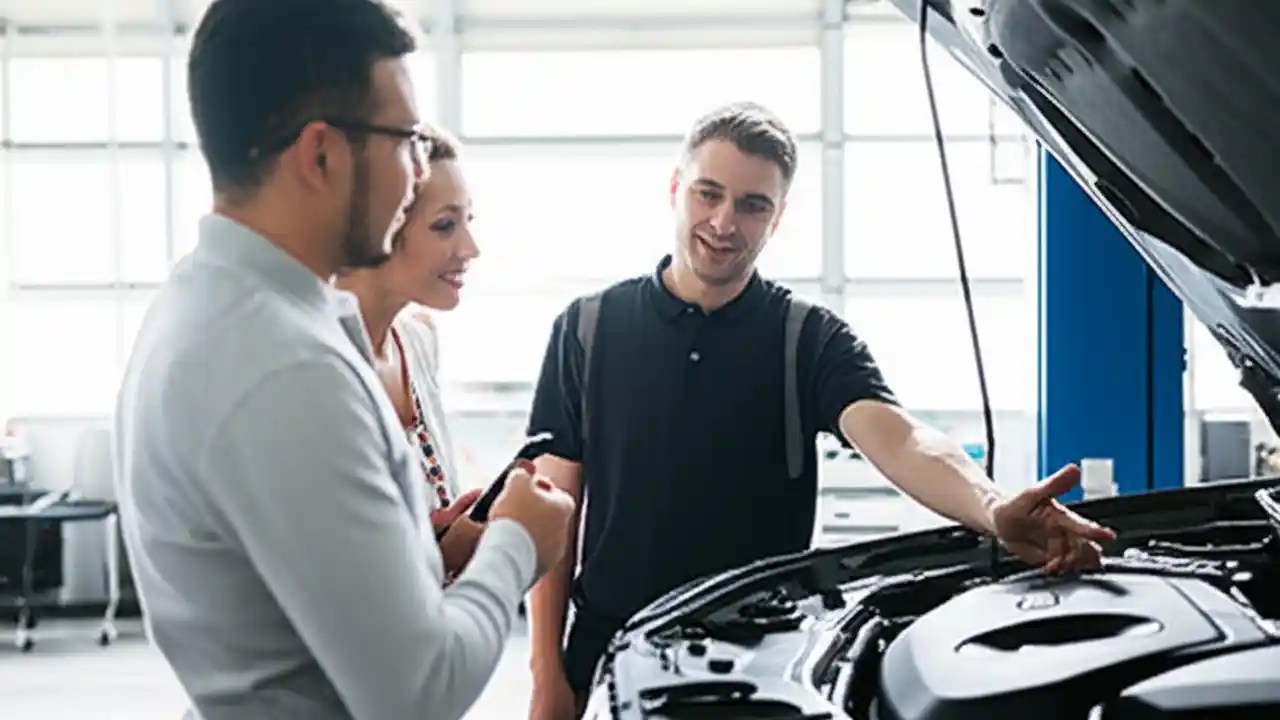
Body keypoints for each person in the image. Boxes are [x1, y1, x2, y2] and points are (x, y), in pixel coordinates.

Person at [523, 101, 1118, 718]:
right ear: (676, 189)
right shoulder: (588, 328)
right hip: (610, 652)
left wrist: (993, 509)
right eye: (708, 194)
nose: (724, 222)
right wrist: (546, 674)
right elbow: (552, 512)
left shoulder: (805, 339)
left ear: (776, 218)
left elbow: (903, 439)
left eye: (752, 205)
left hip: (760, 662)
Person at [111, 2, 574, 719]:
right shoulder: (284, 368)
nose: (418, 168)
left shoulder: (207, 302)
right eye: (407, 140)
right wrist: (517, 544)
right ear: (320, 154)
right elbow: (419, 694)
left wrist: (418, 556)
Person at [334, 127, 486, 580]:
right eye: (444, 226)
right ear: (382, 224)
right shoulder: (318, 369)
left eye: (468, 223)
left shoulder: (418, 340)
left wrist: (442, 533)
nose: (470, 249)